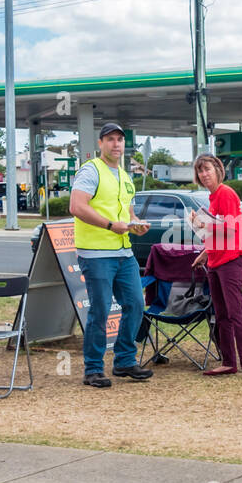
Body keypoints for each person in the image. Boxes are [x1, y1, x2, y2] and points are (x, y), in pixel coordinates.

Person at [69, 121, 151, 388]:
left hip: (123, 251)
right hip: (95, 253)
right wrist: (109, 226)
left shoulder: (125, 177)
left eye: (120, 139)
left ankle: (125, 360)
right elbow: (76, 206)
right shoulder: (91, 170)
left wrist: (135, 224)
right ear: (100, 144)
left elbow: (128, 215)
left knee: (136, 304)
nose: (116, 144)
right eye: (111, 139)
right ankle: (93, 368)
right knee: (101, 310)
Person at [190, 153, 242, 381]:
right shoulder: (212, 198)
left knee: (235, 312)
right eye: (200, 171)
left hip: (231, 260)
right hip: (216, 260)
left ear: (218, 169)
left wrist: (200, 223)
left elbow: (229, 230)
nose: (204, 174)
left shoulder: (226, 193)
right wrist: (204, 254)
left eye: (207, 169)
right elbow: (215, 232)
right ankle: (229, 362)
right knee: (221, 314)